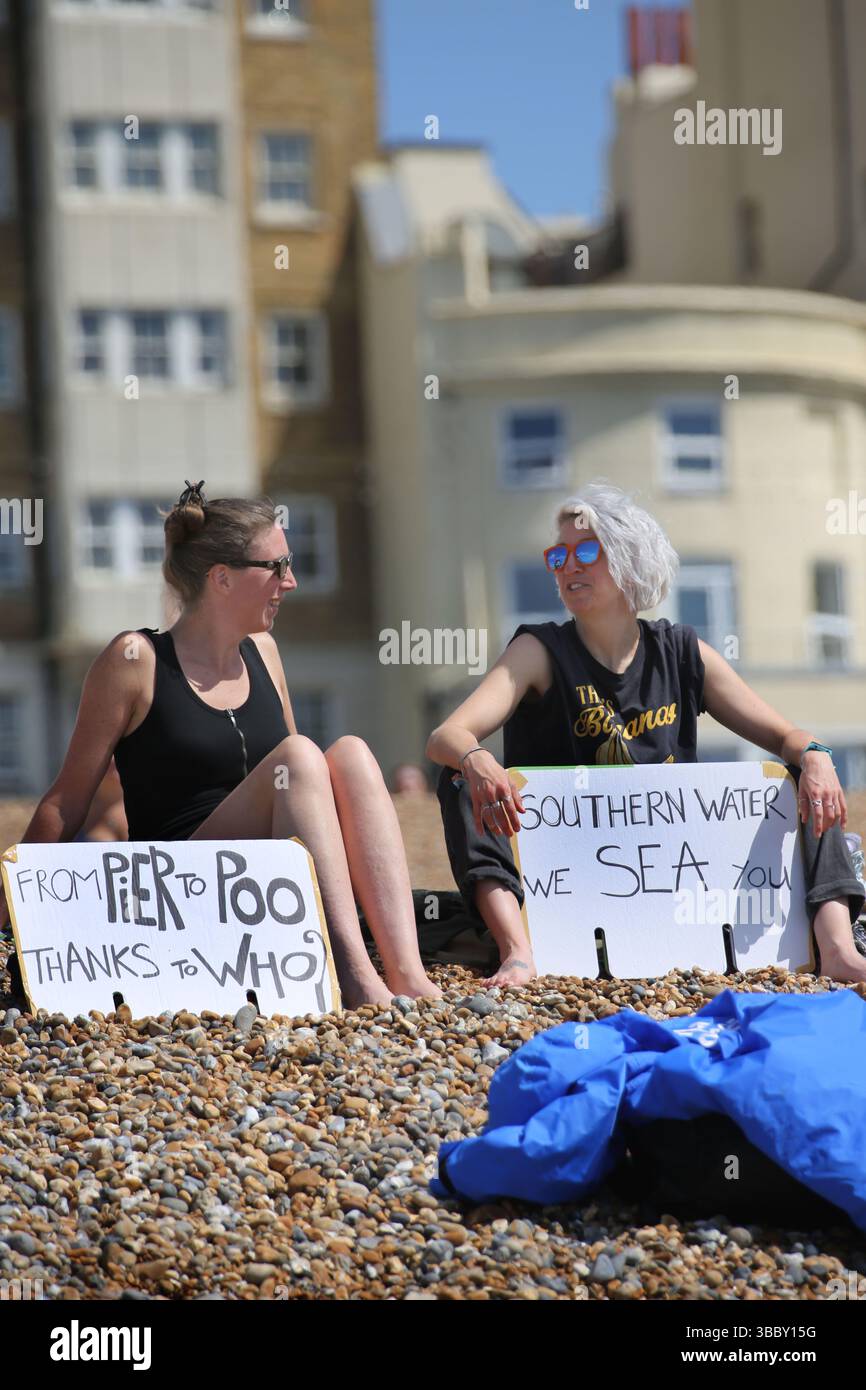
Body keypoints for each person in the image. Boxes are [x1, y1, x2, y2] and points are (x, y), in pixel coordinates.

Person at [1, 482, 440, 1010]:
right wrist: (10, 908)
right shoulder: (136, 659)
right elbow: (66, 799)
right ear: (222, 578)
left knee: (348, 753)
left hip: (262, 892)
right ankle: (350, 974)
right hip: (180, 894)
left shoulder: (265, 652)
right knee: (301, 757)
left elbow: (307, 795)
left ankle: (406, 972)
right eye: (276, 567)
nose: (291, 582)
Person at [426, 480, 866, 988]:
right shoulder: (539, 651)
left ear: (628, 557)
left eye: (586, 551)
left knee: (807, 771)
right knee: (460, 777)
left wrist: (815, 754)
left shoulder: (680, 651)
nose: (568, 566)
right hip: (566, 881)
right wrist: (478, 758)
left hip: (673, 882)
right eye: (557, 556)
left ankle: (834, 948)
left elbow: (785, 734)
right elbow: (446, 734)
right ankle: (518, 951)